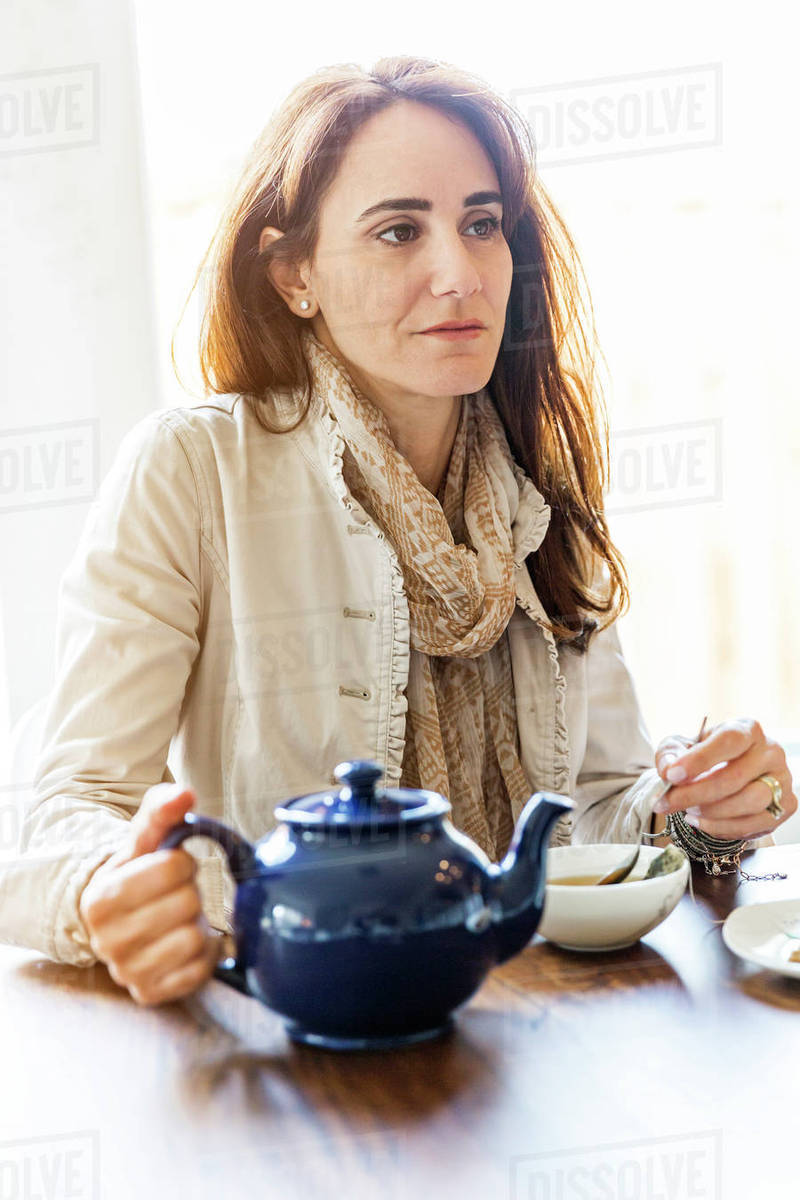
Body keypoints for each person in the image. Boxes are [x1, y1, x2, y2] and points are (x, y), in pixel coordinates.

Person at [1, 56, 794, 1008]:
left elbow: (591, 816)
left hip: (522, 1033)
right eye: (398, 230)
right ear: (293, 274)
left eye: (481, 224)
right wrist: (105, 887)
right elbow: (62, 808)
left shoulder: (538, 482)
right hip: (290, 1027)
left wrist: (703, 811)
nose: (458, 274)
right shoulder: (192, 469)